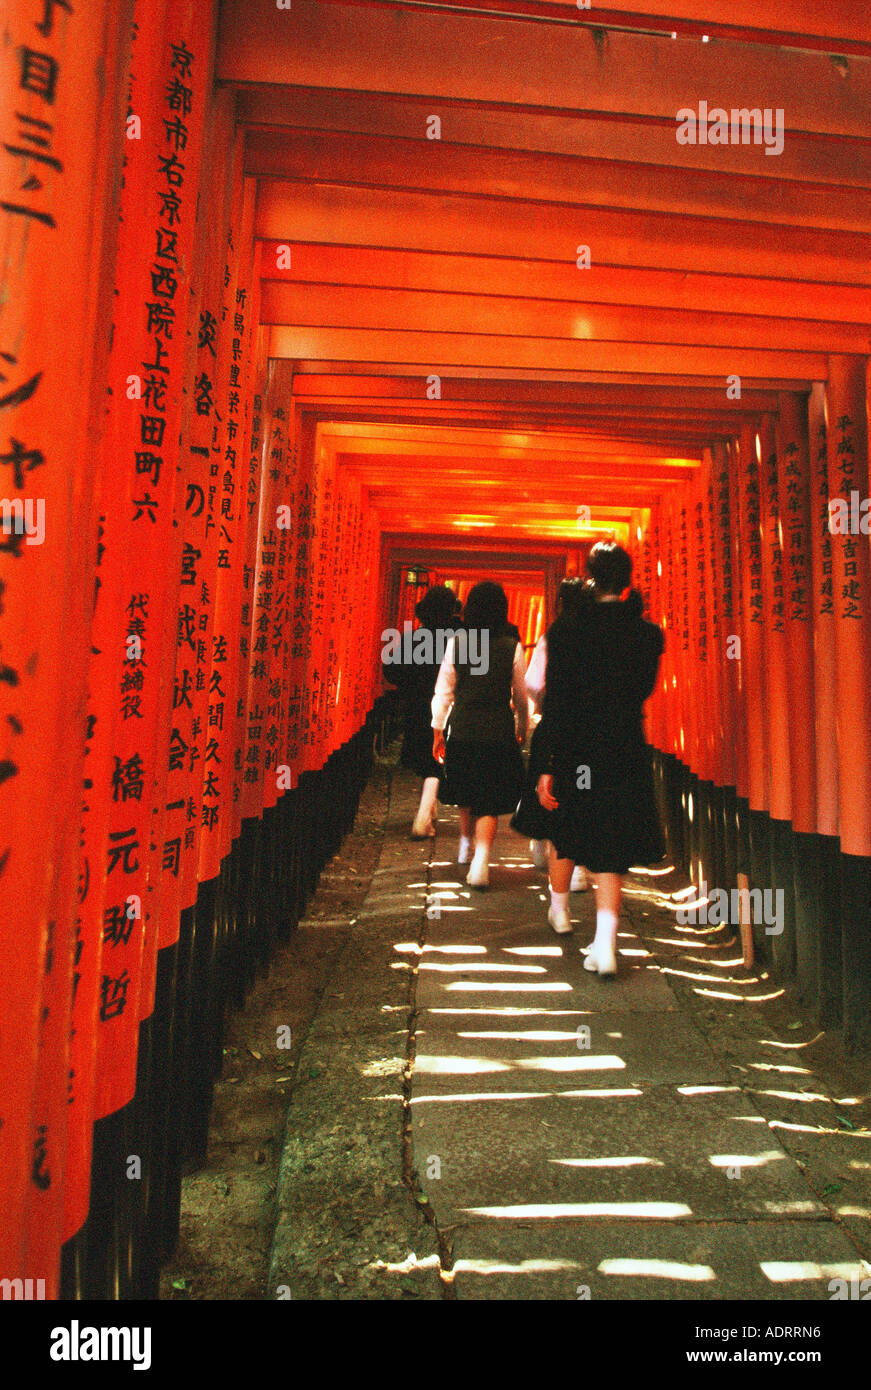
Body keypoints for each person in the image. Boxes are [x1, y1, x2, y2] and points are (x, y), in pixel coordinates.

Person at [536, 542, 665, 976]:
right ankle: (606, 942)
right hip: (625, 746)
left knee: (583, 834)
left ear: (591, 578)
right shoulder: (647, 634)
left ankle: (596, 937)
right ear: (627, 579)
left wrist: (548, 765)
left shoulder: (567, 632)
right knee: (612, 846)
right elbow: (643, 690)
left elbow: (556, 703)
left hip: (579, 750)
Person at [431, 581, 528, 889]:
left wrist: (437, 730)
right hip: (498, 730)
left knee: (467, 793)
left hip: (462, 728)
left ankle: (464, 846)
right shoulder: (511, 646)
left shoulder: (458, 642)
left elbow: (444, 691)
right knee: (490, 798)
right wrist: (522, 728)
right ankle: (482, 861)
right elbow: (522, 696)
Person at [511, 578, 589, 894]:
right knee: (583, 791)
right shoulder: (599, 638)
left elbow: (532, 683)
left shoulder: (552, 637)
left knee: (549, 786)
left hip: (556, 724)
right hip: (590, 729)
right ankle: (581, 867)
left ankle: (544, 842)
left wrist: (545, 700)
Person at [382, 584, 462, 838]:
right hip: (450, 708)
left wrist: (412, 683)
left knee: (427, 760)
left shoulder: (414, 638)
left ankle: (427, 812)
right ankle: (425, 814)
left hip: (418, 707)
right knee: (438, 761)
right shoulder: (461, 640)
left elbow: (391, 671)